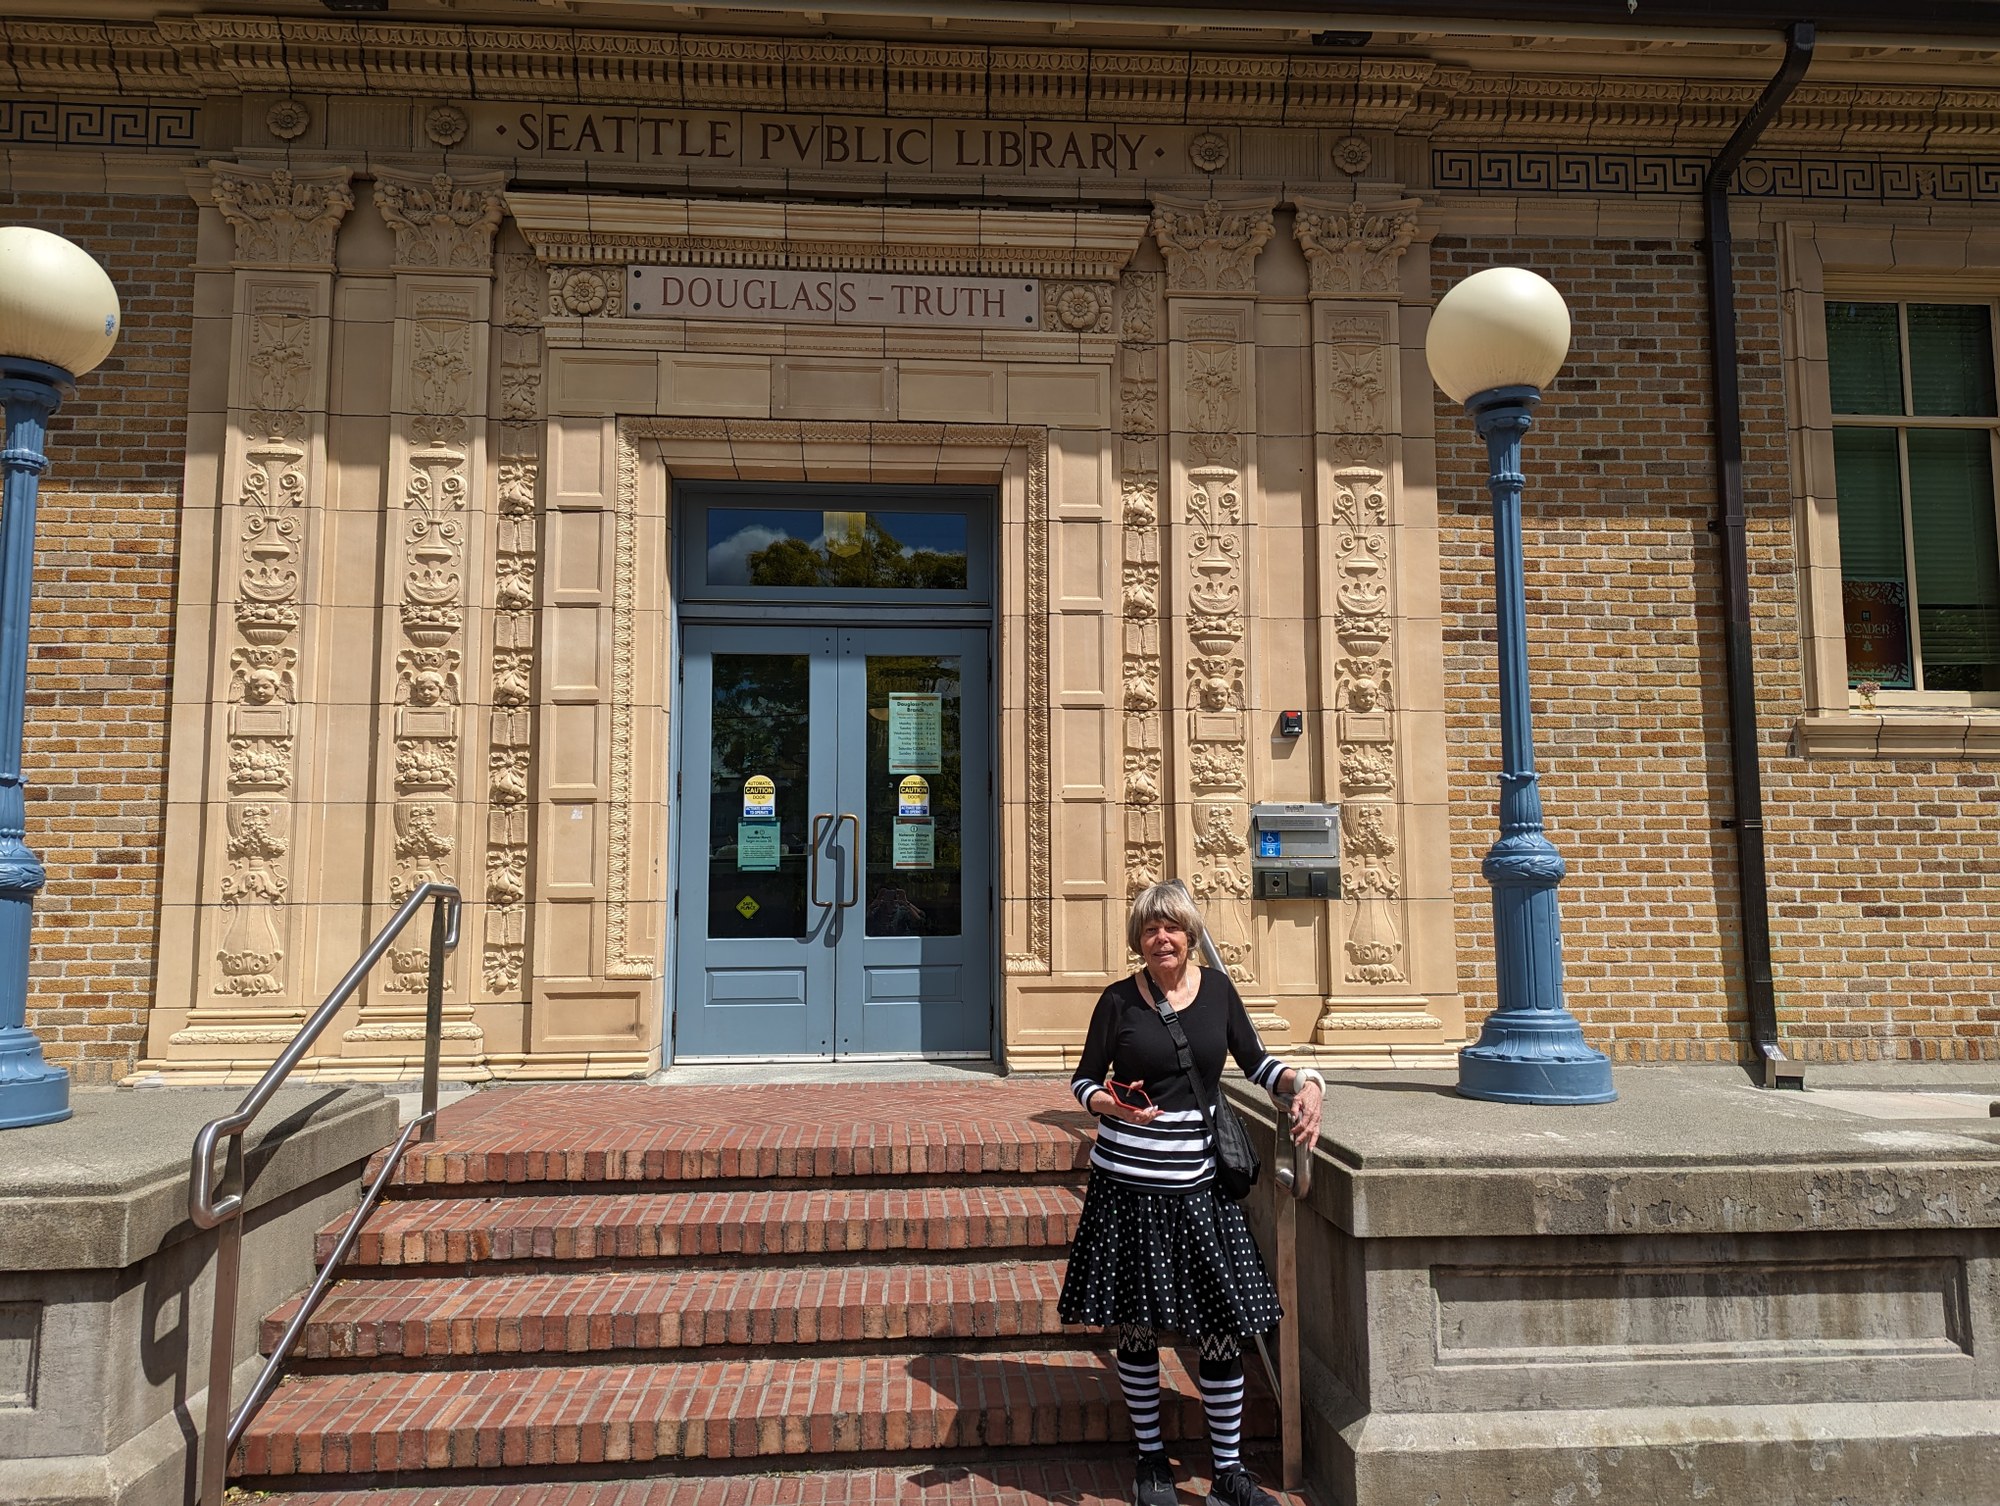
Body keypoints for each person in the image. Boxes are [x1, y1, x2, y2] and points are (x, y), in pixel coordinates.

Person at [1059, 882, 1325, 1506]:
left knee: (1223, 1326)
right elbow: (1082, 1081)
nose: (1162, 938)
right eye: (1150, 929)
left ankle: (1228, 1474)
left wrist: (1306, 1084)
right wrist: (1109, 1104)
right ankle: (1152, 1462)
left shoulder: (1219, 995)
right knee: (1136, 1328)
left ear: (1190, 933)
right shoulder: (1119, 1001)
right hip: (1127, 1189)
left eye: (1172, 927)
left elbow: (1260, 1065)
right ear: (1139, 940)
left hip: (1201, 1189)